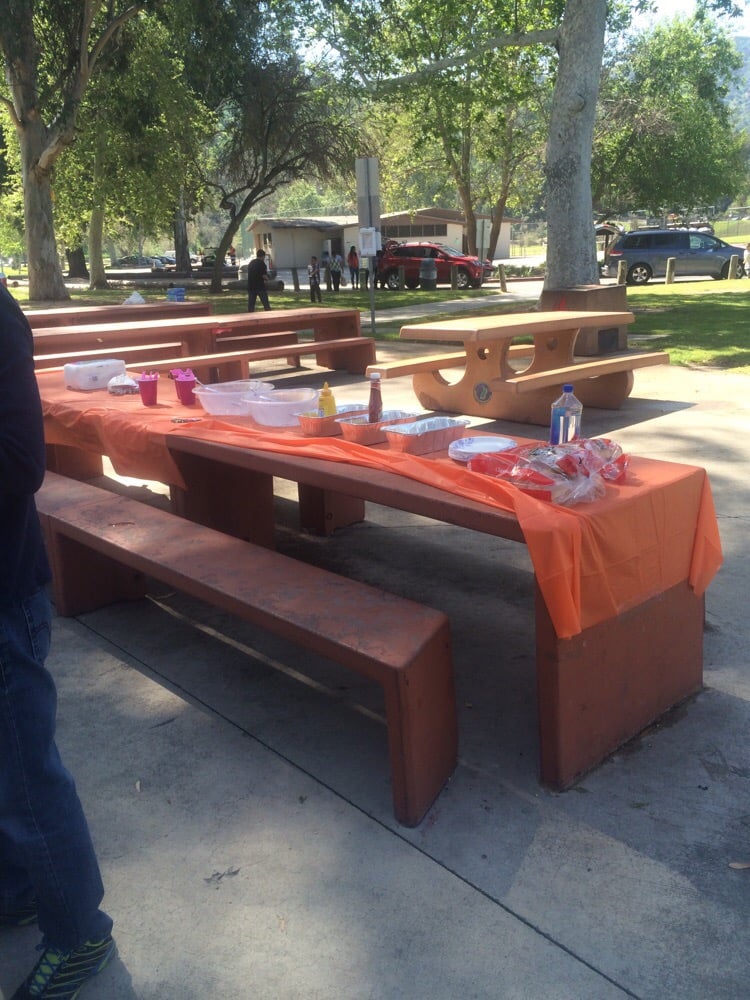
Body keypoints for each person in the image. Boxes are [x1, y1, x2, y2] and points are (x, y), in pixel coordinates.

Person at [0, 283, 115, 999]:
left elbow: (20, 462)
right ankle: (16, 888)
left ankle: (79, 934)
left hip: (4, 595)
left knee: (25, 779)